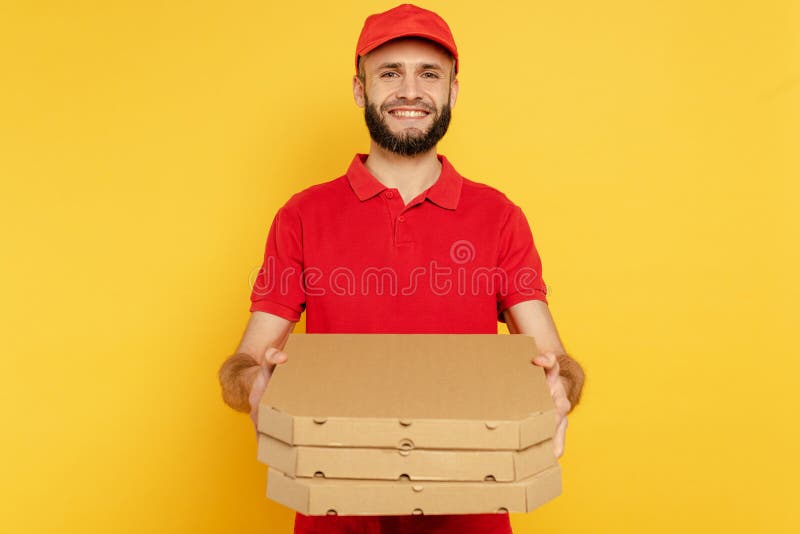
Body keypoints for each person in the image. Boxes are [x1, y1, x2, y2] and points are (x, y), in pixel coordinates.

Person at [218, 4, 585, 533]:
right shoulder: (302, 215)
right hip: (335, 511)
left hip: (470, 509)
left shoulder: (500, 217)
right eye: (390, 72)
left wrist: (559, 388)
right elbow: (244, 363)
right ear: (359, 88)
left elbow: (556, 361)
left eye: (428, 74)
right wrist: (255, 382)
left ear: (453, 91)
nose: (410, 91)